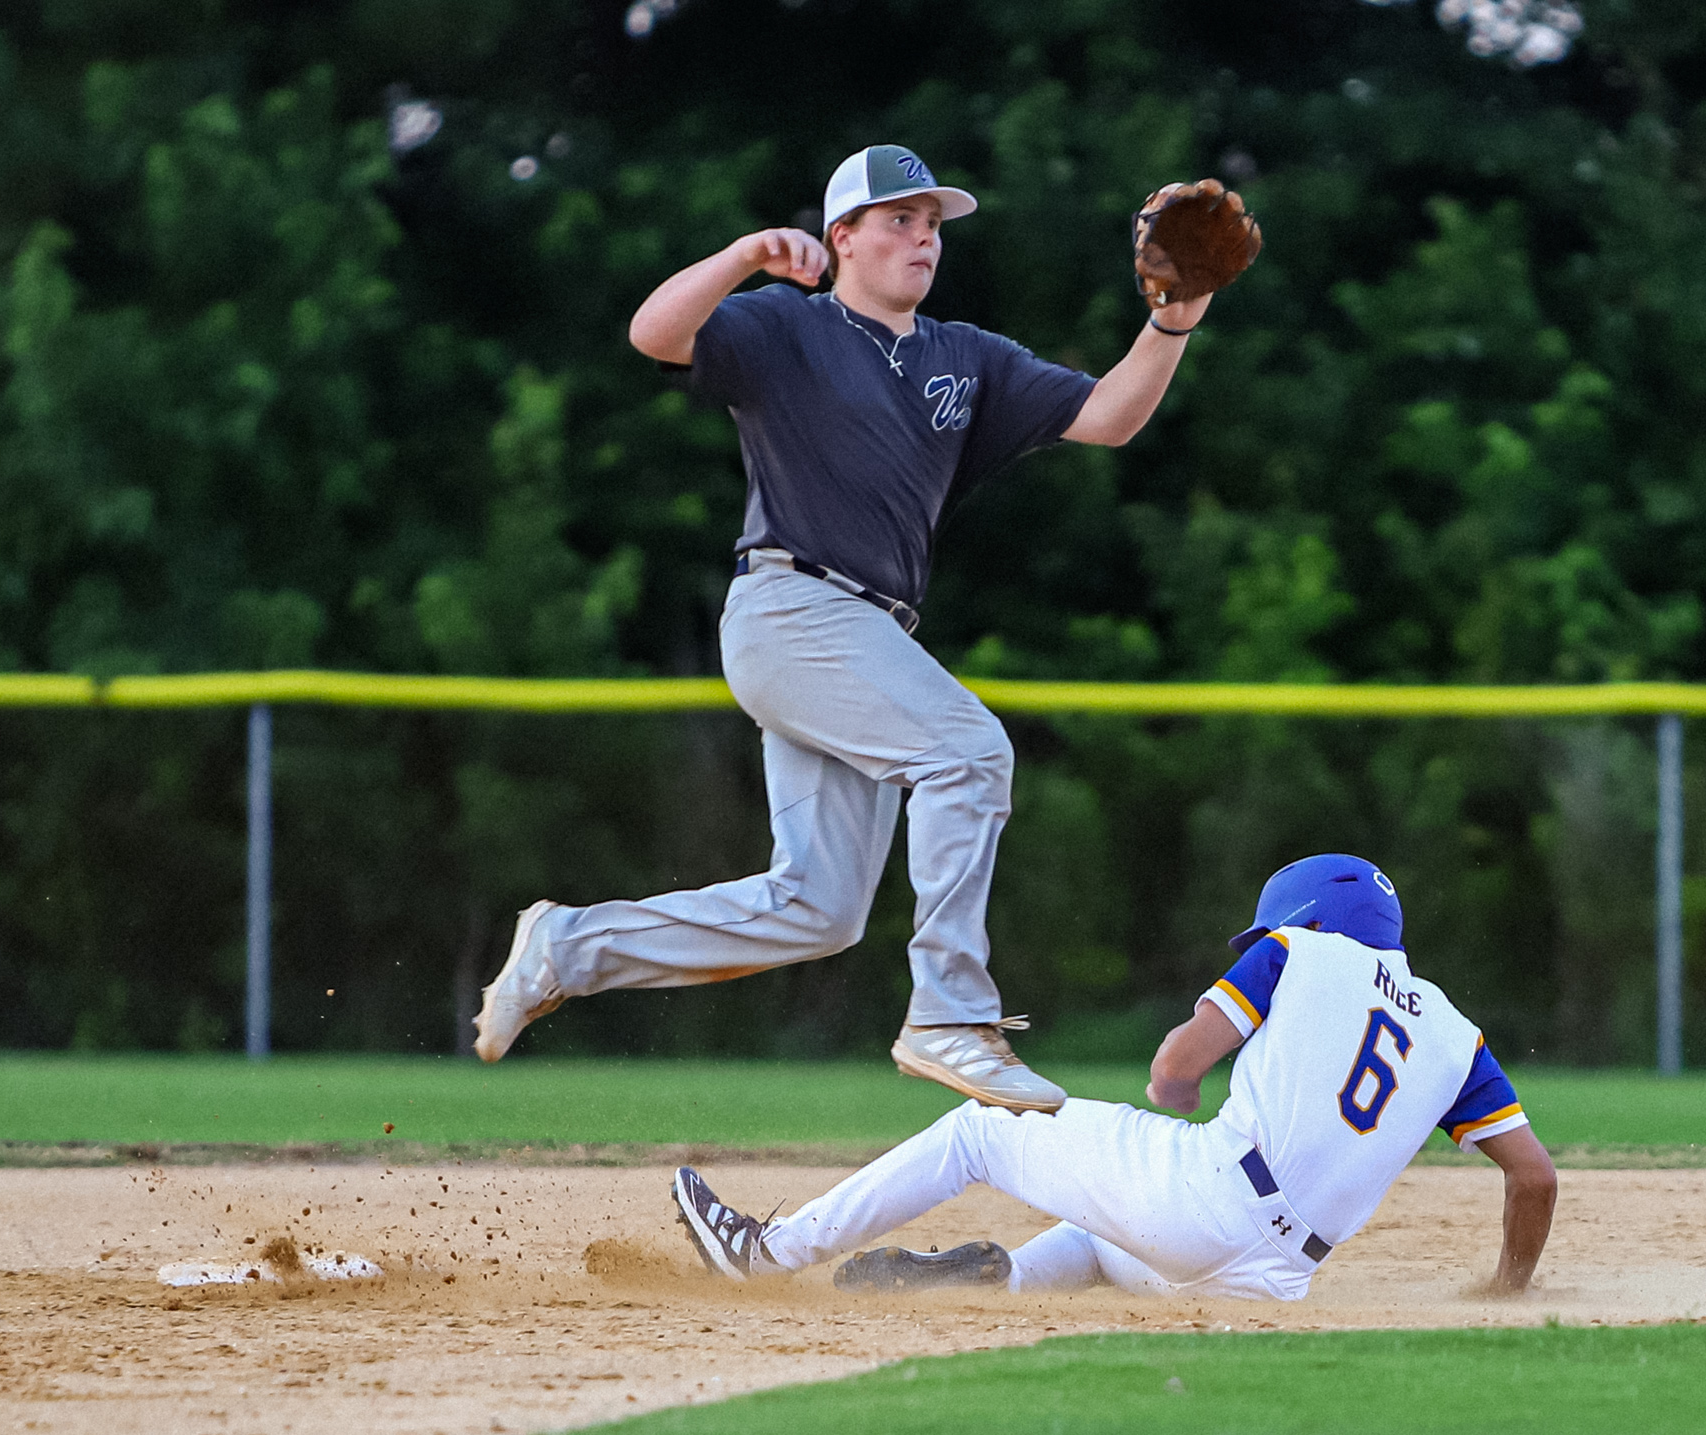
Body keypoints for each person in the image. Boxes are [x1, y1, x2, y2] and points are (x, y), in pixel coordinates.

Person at [471, 145, 1222, 1112]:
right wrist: (745, 255)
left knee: (818, 908)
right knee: (968, 753)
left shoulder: (967, 356)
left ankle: (569, 945)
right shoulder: (787, 326)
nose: (924, 238)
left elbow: (1111, 417)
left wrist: (1174, 318)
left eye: (933, 223)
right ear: (842, 239)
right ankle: (951, 1013)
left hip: (868, 635)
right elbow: (654, 333)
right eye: (900, 219)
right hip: (792, 608)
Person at [670, 853, 1558, 1301]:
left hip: (1203, 1206)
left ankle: (765, 1253)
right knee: (1102, 1233)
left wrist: (1176, 1095)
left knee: (986, 1124)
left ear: (1310, 917)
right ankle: (1000, 1279)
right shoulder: (1452, 1031)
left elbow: (1176, 1065)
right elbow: (1535, 1176)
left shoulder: (1299, 948)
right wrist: (1509, 1287)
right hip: (1272, 1282)